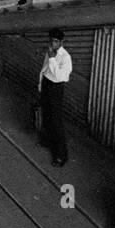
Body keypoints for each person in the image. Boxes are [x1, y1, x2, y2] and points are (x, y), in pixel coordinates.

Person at [38, 28, 72, 167]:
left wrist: (52, 58)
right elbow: (44, 69)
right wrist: (40, 84)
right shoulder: (50, 51)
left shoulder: (65, 57)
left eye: (56, 41)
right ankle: (48, 141)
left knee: (56, 121)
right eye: (51, 41)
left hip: (56, 88)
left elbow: (60, 77)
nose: (53, 44)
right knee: (46, 115)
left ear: (62, 42)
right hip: (46, 84)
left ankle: (61, 156)